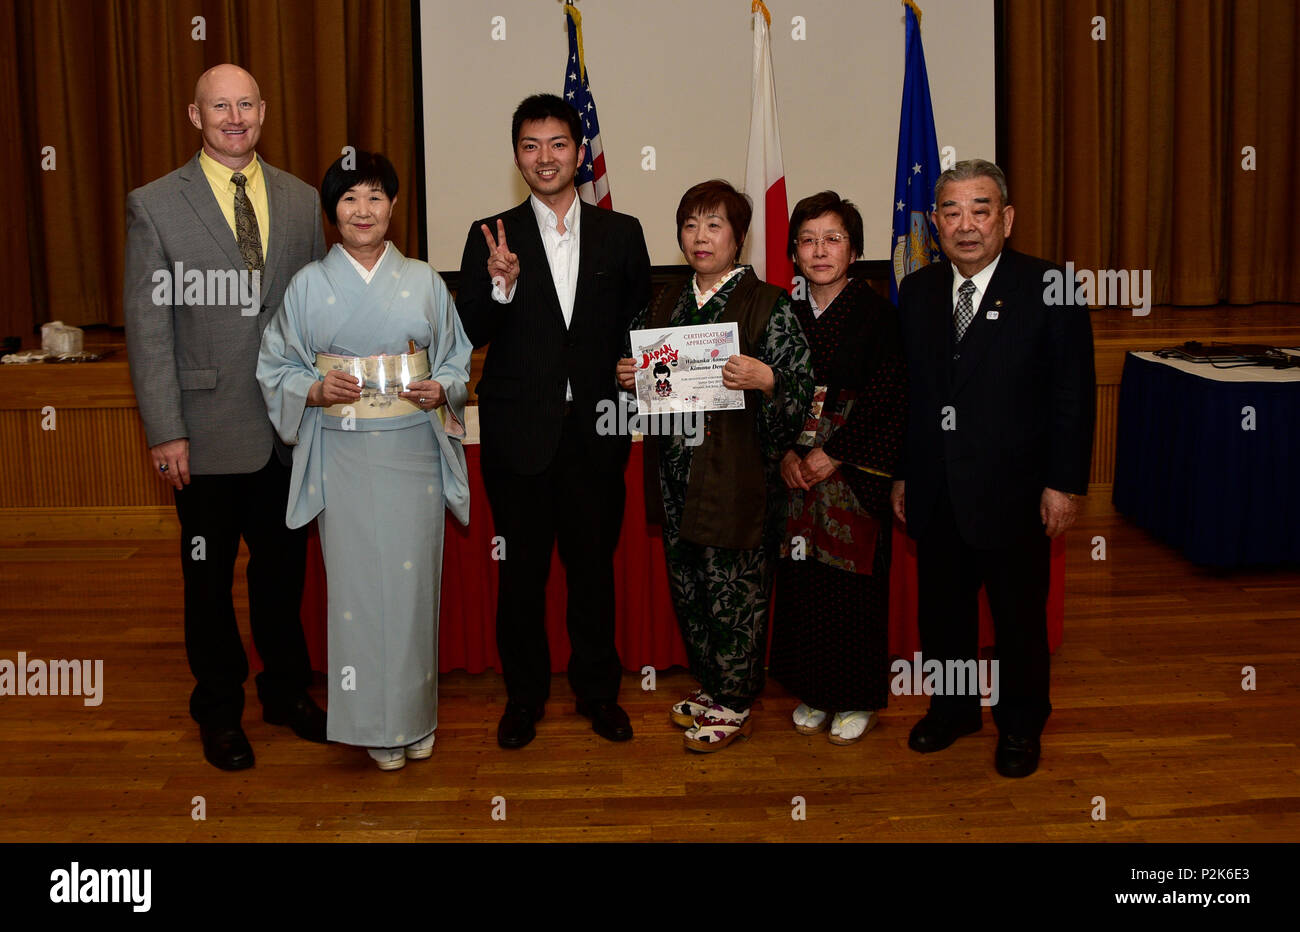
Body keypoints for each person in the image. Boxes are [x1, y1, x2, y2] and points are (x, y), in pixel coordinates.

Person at [123, 64, 327, 771]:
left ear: (263, 112)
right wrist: (165, 430)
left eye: (245, 104)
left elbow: (316, 312)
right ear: (194, 114)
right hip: (203, 435)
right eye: (220, 106)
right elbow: (148, 329)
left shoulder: (303, 202)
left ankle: (285, 693)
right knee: (207, 582)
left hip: (288, 432)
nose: (234, 117)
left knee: (283, 574)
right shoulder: (154, 205)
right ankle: (219, 708)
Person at [256, 152, 472, 771]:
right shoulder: (308, 286)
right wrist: (315, 390)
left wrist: (442, 388)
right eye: (350, 198)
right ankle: (374, 723)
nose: (363, 210)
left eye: (375, 196)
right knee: (357, 593)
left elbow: (454, 358)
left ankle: (415, 715)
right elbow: (276, 366)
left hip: (412, 454)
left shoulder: (426, 281)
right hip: (343, 454)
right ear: (333, 212)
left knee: (411, 591)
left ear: (394, 206)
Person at [457, 94, 651, 749]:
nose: (546, 157)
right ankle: (524, 699)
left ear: (578, 151)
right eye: (532, 146)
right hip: (520, 439)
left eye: (558, 144)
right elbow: (469, 330)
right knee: (523, 577)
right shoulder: (493, 234)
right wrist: (500, 285)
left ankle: (599, 694)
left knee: (593, 572)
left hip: (597, 433)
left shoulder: (621, 233)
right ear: (517, 156)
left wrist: (635, 367)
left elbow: (638, 327)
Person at [891, 159, 1095, 778]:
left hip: (1016, 495)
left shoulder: (1048, 286)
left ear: (1005, 218)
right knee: (944, 617)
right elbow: (911, 396)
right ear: (934, 223)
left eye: (981, 210)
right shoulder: (920, 290)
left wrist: (1064, 483)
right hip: (937, 491)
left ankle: (1021, 724)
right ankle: (953, 710)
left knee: (1017, 621)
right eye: (951, 212)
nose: (966, 225)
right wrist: (903, 473)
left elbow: (1073, 395)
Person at [617, 180, 813, 752]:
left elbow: (802, 387)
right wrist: (630, 377)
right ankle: (714, 686)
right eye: (690, 225)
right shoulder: (665, 302)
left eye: (714, 224)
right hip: (677, 475)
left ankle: (736, 701)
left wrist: (768, 378)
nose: (701, 237)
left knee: (736, 588)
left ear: (740, 238)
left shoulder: (769, 303)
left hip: (738, 474)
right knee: (691, 585)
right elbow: (652, 388)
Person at [769, 192, 907, 746]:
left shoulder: (879, 315)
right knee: (802, 580)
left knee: (852, 585)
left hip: (852, 471)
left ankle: (856, 696)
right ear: (794, 253)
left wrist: (837, 451)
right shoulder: (787, 314)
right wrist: (784, 452)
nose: (820, 250)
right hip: (796, 471)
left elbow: (892, 394)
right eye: (808, 239)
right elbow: (769, 394)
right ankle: (814, 689)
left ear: (854, 251)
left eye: (833, 239)